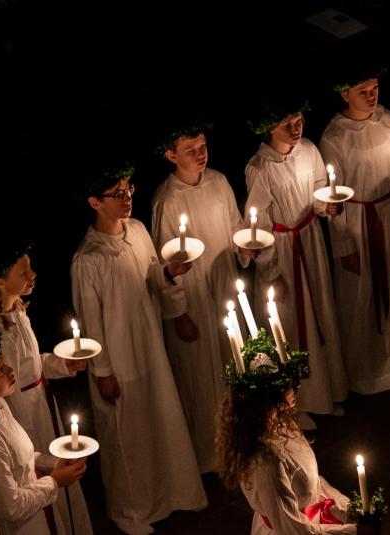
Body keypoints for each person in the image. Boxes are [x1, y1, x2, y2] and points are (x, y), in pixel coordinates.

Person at [71, 165, 207, 534]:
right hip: (118, 361)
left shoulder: (139, 231)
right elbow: (90, 320)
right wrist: (103, 371)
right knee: (128, 438)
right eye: (118, 193)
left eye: (129, 189)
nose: (128, 197)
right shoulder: (89, 259)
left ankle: (173, 494)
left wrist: (169, 273)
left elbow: (149, 275)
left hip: (149, 347)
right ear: (95, 202)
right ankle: (131, 510)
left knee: (161, 423)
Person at [150, 121, 251, 473]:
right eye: (191, 150)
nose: (201, 154)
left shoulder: (220, 182)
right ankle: (211, 457)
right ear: (171, 155)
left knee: (235, 367)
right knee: (202, 380)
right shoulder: (167, 199)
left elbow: (236, 225)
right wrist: (178, 313)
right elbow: (165, 262)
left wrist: (245, 248)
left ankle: (242, 445)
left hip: (224, 286)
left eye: (203, 146)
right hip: (193, 300)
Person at [245, 101, 348, 429]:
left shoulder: (309, 150)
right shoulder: (260, 167)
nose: (296, 129)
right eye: (288, 124)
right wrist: (271, 270)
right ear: (269, 128)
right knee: (288, 324)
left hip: (310, 242)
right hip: (283, 251)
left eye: (299, 121)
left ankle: (326, 393)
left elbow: (318, 193)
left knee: (320, 313)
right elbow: (257, 224)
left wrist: (326, 208)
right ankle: (296, 404)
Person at [320, 63, 390, 395]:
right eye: (362, 91)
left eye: (374, 88)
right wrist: (343, 245)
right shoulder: (335, 136)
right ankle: (368, 370)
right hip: (358, 223)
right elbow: (333, 193)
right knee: (362, 297)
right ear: (344, 93)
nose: (370, 96)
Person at [217, 332, 374, 534]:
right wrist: (354, 531)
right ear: (267, 400)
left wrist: (347, 509)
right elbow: (294, 530)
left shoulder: (281, 425)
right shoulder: (266, 463)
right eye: (286, 386)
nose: (294, 389)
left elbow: (313, 486)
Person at [0, 329, 93, 535]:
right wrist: (54, 482)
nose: (11, 371)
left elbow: (23, 459)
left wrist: (54, 463)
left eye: (6, 365)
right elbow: (11, 506)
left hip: (38, 509)